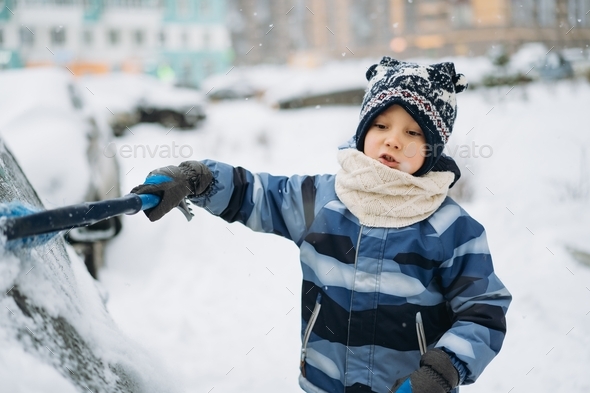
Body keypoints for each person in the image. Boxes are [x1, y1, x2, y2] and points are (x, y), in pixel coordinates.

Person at [131, 57, 512, 393]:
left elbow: (483, 311)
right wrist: (198, 179)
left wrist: (444, 371)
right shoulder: (323, 200)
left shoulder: (453, 230)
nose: (393, 141)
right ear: (364, 132)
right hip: (324, 383)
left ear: (432, 148)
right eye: (381, 125)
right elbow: (257, 194)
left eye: (413, 132)